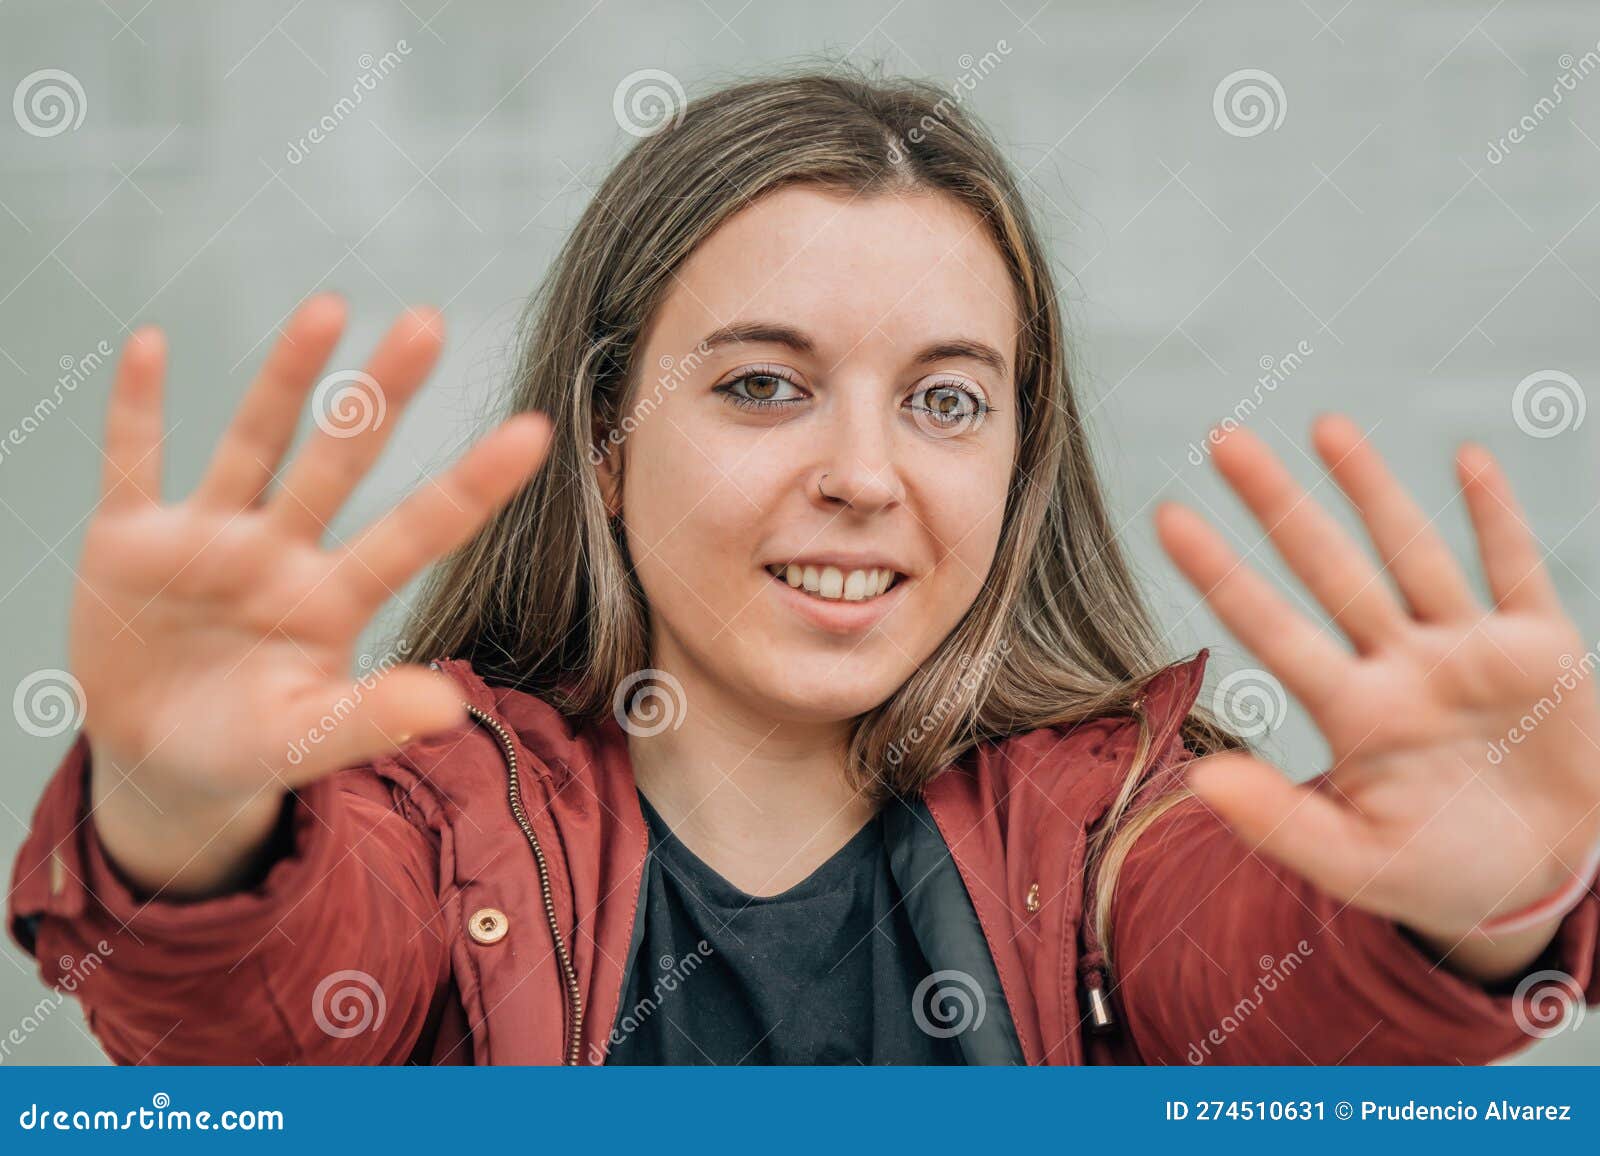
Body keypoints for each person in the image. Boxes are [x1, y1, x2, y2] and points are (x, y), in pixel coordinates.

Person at [8, 68, 1600, 1066]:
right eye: (762, 383)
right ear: (610, 437)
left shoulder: (1127, 823)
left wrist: (1478, 913)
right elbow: (263, 1005)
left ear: (1015, 460)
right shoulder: (426, 813)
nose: (862, 473)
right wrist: (182, 813)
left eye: (947, 400)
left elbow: (1271, 978)